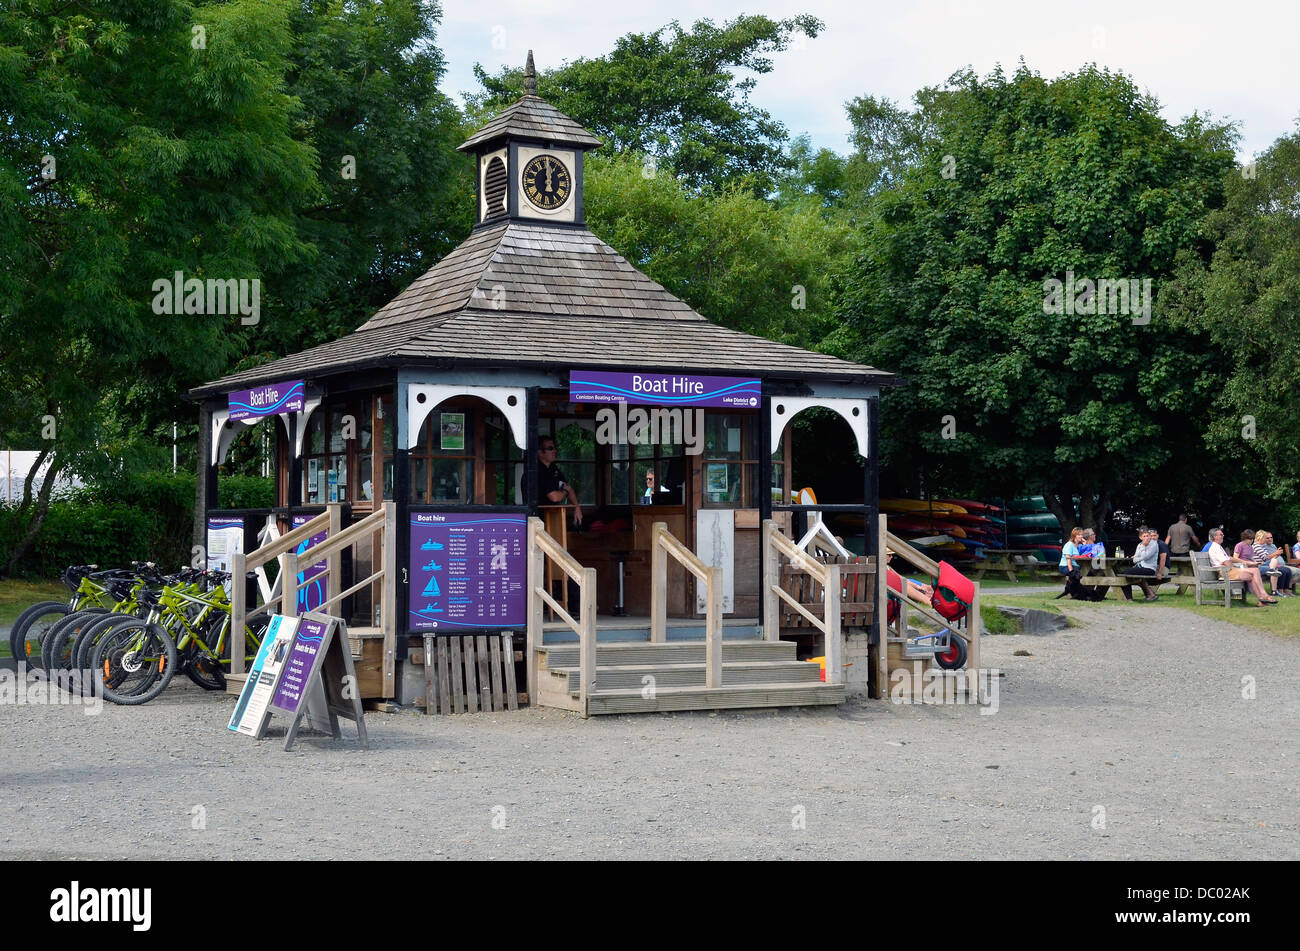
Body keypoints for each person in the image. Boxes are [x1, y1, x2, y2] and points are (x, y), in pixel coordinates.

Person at [1207, 528, 1276, 605]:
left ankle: (1261, 601)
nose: (1223, 536)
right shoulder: (1215, 548)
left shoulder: (1218, 547)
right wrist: (1234, 565)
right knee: (1255, 571)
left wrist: (1234, 563)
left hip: (1229, 571)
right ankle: (1264, 595)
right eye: (1221, 534)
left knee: (1253, 574)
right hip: (1225, 573)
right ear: (1215, 536)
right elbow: (1227, 563)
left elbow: (1229, 559)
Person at [537, 437, 582, 525]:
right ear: (540, 452)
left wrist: (577, 507)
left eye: (555, 448)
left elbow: (568, 487)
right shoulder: (537, 470)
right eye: (550, 448)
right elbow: (554, 497)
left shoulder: (553, 468)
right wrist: (565, 491)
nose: (555, 451)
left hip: (552, 517)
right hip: (537, 519)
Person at [1120, 526, 1161, 601]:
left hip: (1149, 569)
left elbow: (1145, 557)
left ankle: (1129, 598)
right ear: (1140, 537)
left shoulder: (1154, 544)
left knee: (1124, 573)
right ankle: (1129, 598)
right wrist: (1139, 556)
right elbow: (1134, 560)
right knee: (1123, 573)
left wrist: (1143, 547)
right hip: (1140, 567)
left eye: (1148, 536)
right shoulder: (1139, 545)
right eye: (1144, 536)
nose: (1146, 538)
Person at [1252, 530, 1293, 596]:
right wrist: (1275, 553)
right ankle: (1277, 591)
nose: (1266, 540)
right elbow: (1265, 558)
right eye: (1265, 538)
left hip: (1264, 565)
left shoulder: (1261, 546)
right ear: (1260, 538)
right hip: (1258, 566)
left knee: (1287, 570)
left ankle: (1285, 590)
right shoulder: (1257, 546)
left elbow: (1268, 557)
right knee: (1279, 570)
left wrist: (1277, 554)